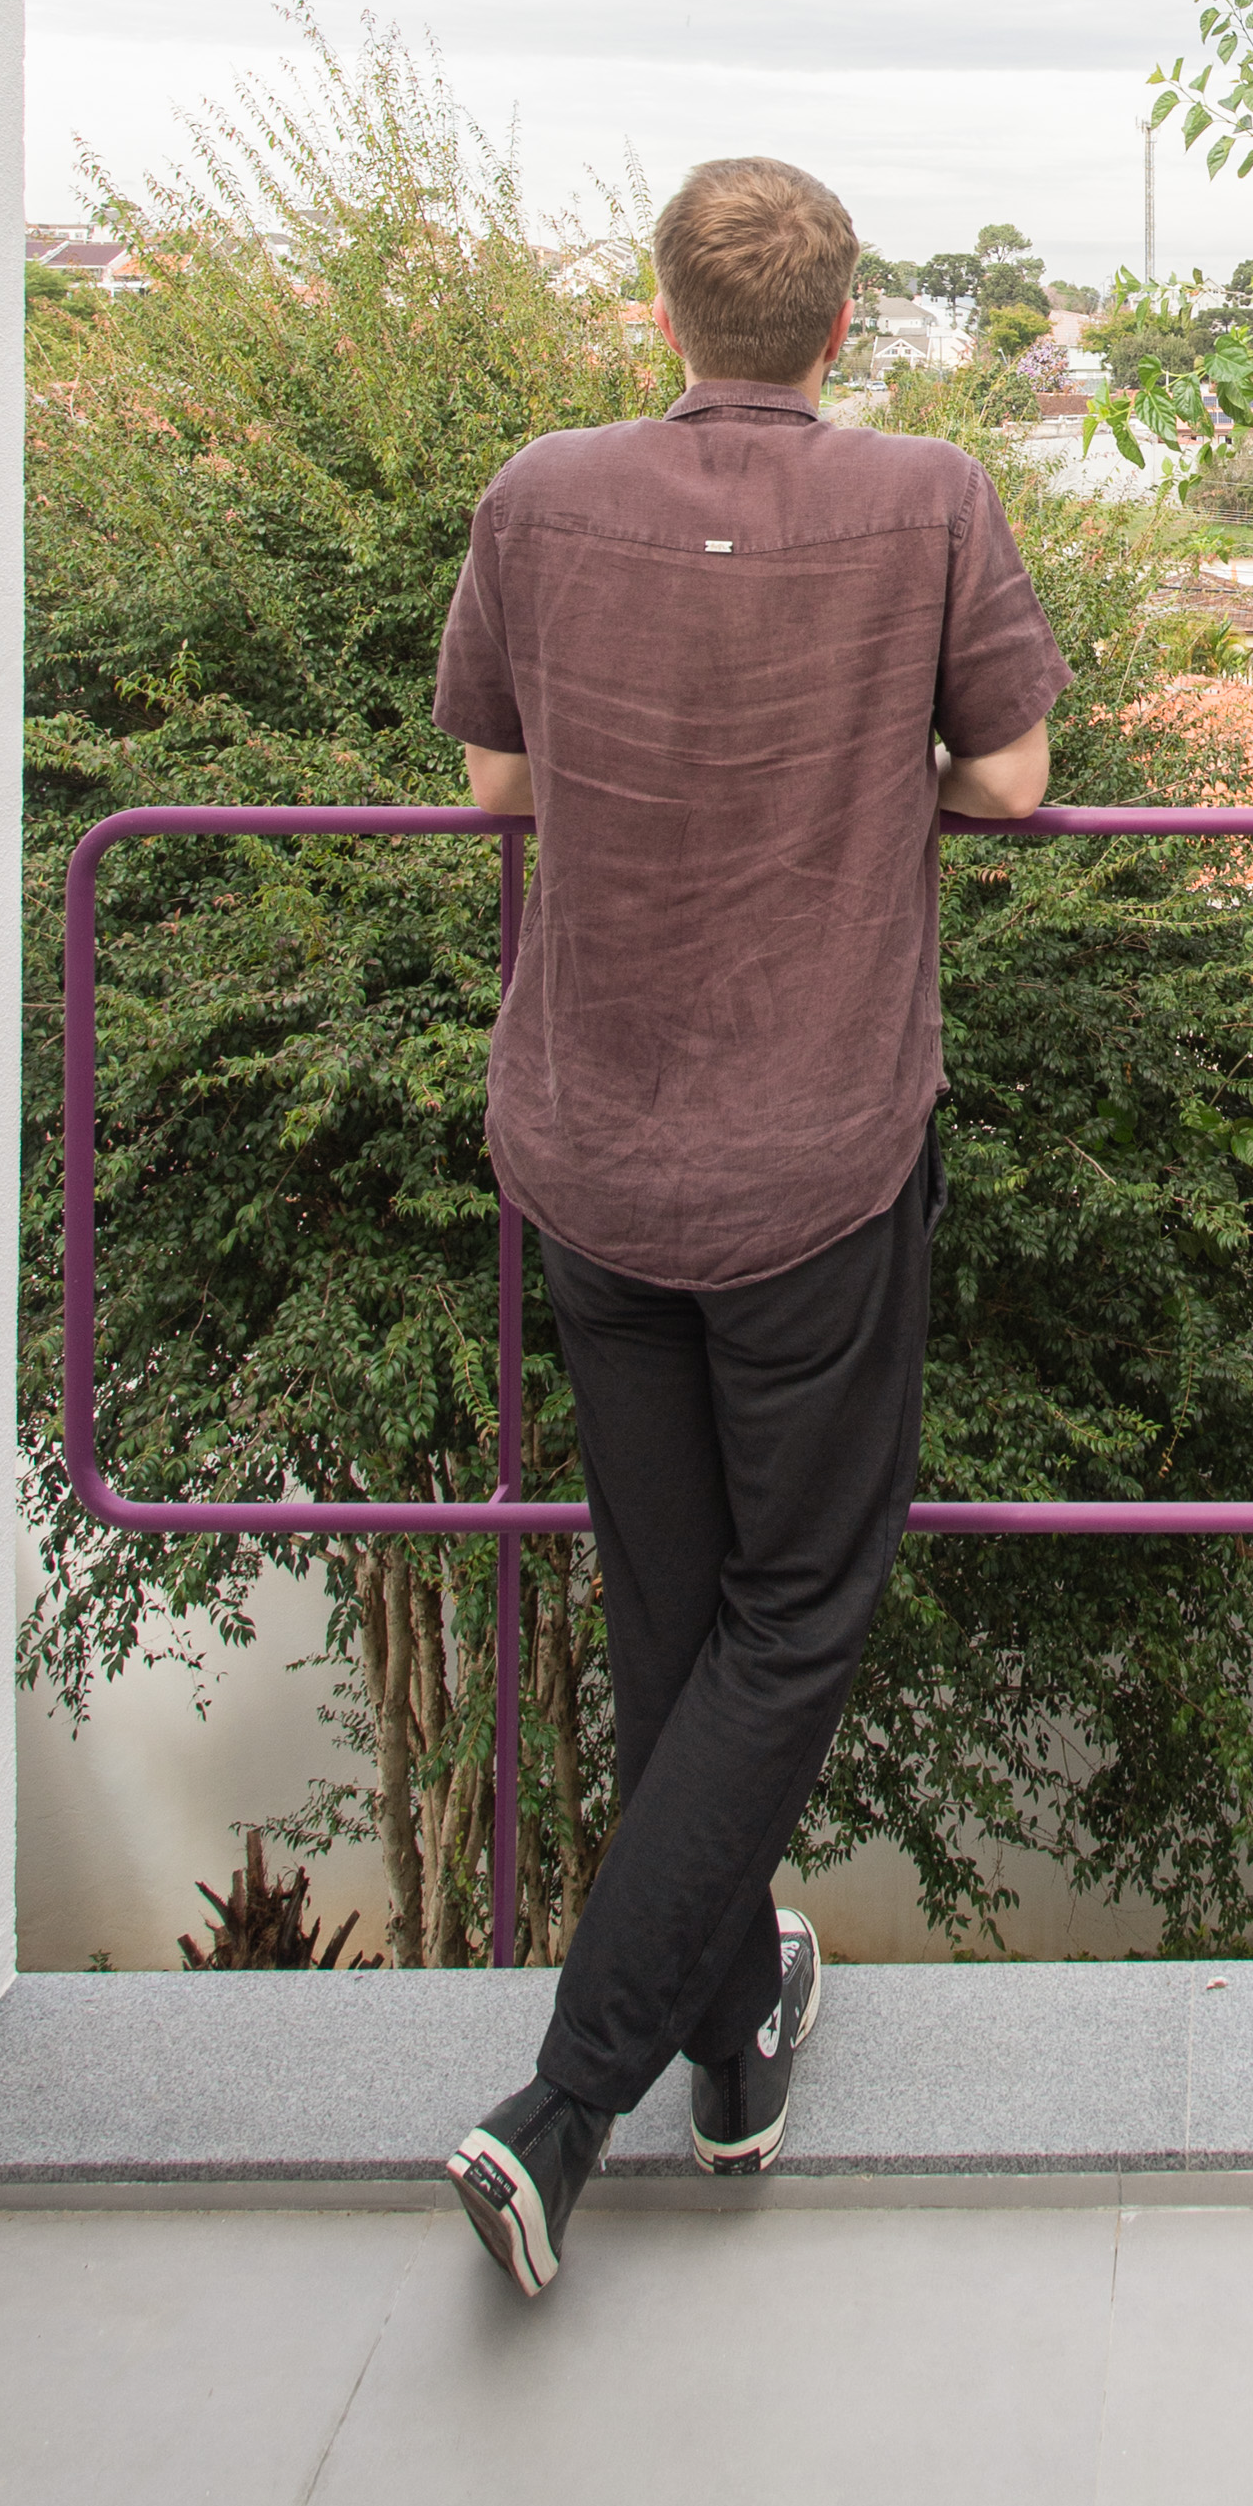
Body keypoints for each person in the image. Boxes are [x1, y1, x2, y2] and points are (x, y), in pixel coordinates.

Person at [432, 154, 1062, 2297]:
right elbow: (1017, 780)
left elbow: (497, 792)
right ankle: (566, 2095)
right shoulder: (935, 499)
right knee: (791, 1619)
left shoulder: (535, 495)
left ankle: (733, 2046)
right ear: (842, 328)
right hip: (815, 1162)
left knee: (676, 1619)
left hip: (594, 1153)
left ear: (662, 312)